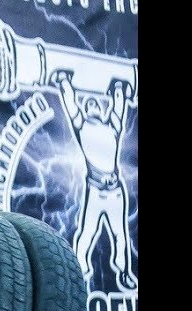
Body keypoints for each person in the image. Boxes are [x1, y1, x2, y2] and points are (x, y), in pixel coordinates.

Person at [54, 70, 137, 292]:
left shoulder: (111, 128)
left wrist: (118, 91)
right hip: (95, 190)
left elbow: (118, 111)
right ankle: (79, 271)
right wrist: (65, 83)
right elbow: (72, 108)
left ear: (100, 111)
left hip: (115, 191)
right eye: (87, 105)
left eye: (95, 105)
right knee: (87, 232)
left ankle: (124, 272)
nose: (91, 107)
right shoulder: (83, 128)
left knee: (120, 234)